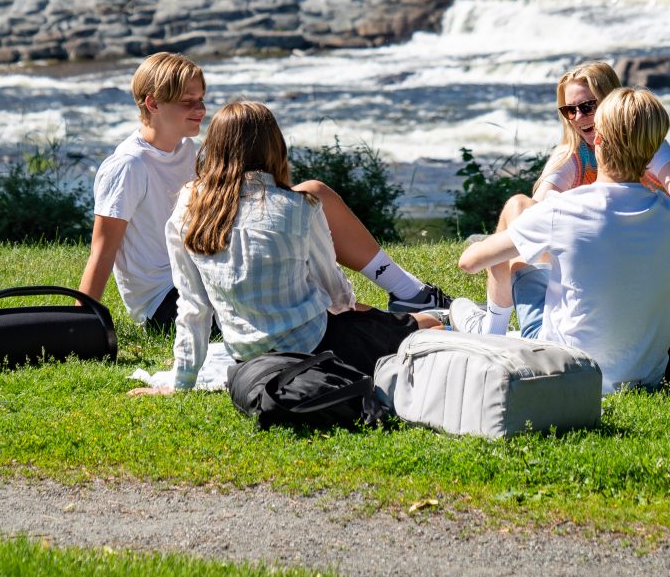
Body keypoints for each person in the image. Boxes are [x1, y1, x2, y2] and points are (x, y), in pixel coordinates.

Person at [78, 52, 443, 331]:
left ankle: (411, 294)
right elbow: (102, 251)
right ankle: (410, 322)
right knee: (308, 303)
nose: (201, 110)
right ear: (152, 103)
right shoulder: (129, 166)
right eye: (188, 102)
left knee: (313, 195)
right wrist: (79, 325)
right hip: (168, 301)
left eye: (202, 99)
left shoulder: (186, 151)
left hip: (210, 271)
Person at [132, 102, 441, 395]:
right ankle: (433, 308)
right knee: (430, 325)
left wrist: (181, 382)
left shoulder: (188, 213)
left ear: (212, 149)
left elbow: (193, 308)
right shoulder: (298, 207)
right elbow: (333, 290)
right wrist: (359, 318)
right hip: (315, 343)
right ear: (274, 148)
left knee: (398, 323)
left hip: (247, 357)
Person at [454, 88, 670, 394]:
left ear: (600, 141)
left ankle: (489, 330)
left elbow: (470, 262)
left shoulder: (565, 208)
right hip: (646, 374)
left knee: (516, 250)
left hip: (567, 368)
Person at [534, 62, 670, 223]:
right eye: (570, 110)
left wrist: (658, 241)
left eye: (587, 106)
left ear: (612, 102)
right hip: (597, 246)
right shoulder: (574, 154)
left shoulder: (644, 143)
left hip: (647, 242)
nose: (578, 117)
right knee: (519, 205)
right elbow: (535, 210)